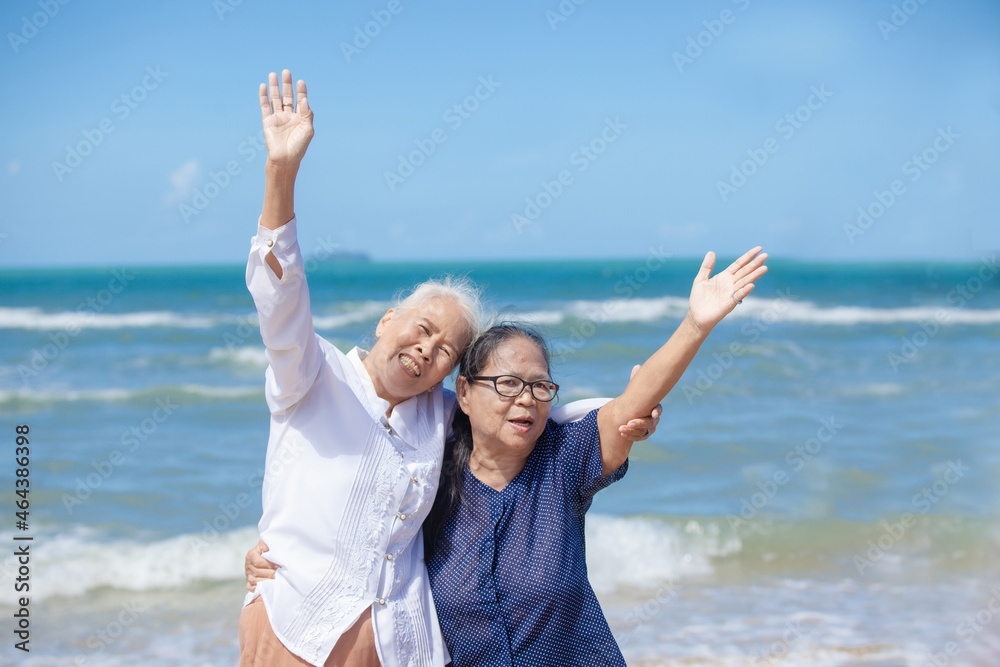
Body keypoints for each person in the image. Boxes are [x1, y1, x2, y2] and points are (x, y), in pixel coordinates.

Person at [239, 69, 661, 667]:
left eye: (445, 350)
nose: (426, 349)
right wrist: (281, 171)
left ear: (452, 380)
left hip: (402, 643)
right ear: (388, 320)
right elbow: (280, 301)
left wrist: (629, 413)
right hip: (300, 627)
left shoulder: (439, 416)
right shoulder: (310, 376)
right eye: (422, 328)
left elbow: (531, 410)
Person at [248, 227, 768, 663]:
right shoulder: (432, 483)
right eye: (507, 384)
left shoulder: (563, 465)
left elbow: (626, 409)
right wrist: (285, 550)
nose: (526, 399)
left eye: (540, 385)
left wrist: (696, 324)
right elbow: (363, 522)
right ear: (465, 394)